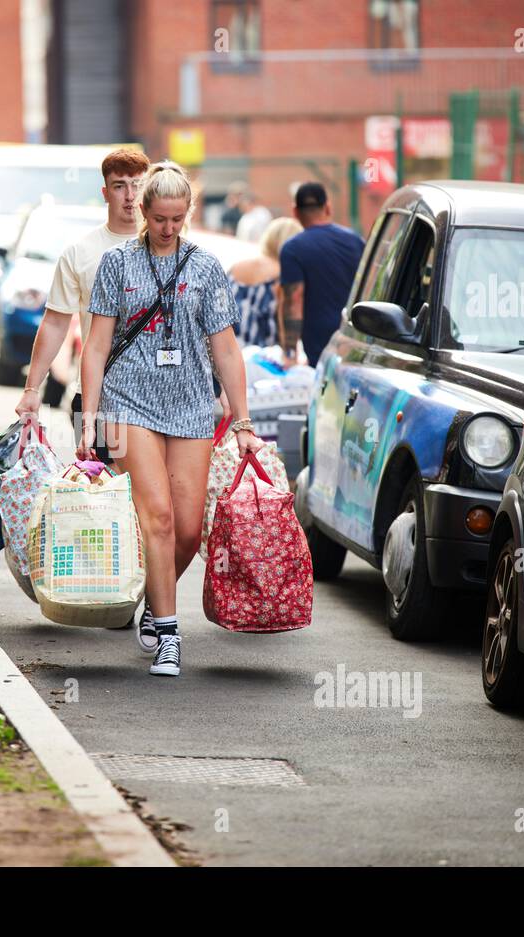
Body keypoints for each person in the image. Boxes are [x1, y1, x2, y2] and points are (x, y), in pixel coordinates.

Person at [79, 161, 264, 677]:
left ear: (188, 213)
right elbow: (95, 347)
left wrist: (244, 423)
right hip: (129, 400)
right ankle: (168, 632)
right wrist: (89, 418)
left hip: (190, 404)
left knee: (185, 532)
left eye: (177, 219)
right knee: (155, 515)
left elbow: (225, 350)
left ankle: (148, 597)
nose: (167, 228)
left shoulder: (206, 268)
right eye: (160, 218)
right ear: (143, 211)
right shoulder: (117, 265)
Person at [14, 148, 150, 463]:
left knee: (156, 504)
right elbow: (55, 323)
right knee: (103, 501)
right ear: (105, 192)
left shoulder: (168, 247)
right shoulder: (80, 253)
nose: (129, 196)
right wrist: (32, 389)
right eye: (119, 186)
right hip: (95, 396)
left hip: (158, 395)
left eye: (137, 185)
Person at [278, 182, 365, 366]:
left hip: (320, 347)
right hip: (355, 339)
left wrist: (290, 352)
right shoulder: (356, 241)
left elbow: (294, 300)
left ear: (295, 212)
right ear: (328, 207)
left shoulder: (292, 249)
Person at [228, 216, 301, 348]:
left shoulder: (234, 269)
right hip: (262, 360)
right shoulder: (284, 276)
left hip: (227, 355)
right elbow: (287, 325)